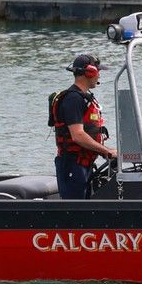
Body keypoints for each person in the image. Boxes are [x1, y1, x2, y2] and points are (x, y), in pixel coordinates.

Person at [49, 53, 118, 199]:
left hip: (83, 164)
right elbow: (78, 135)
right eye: (98, 71)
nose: (99, 75)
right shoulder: (73, 99)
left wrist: (106, 152)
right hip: (73, 166)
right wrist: (107, 151)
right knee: (75, 211)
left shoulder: (84, 97)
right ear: (90, 72)